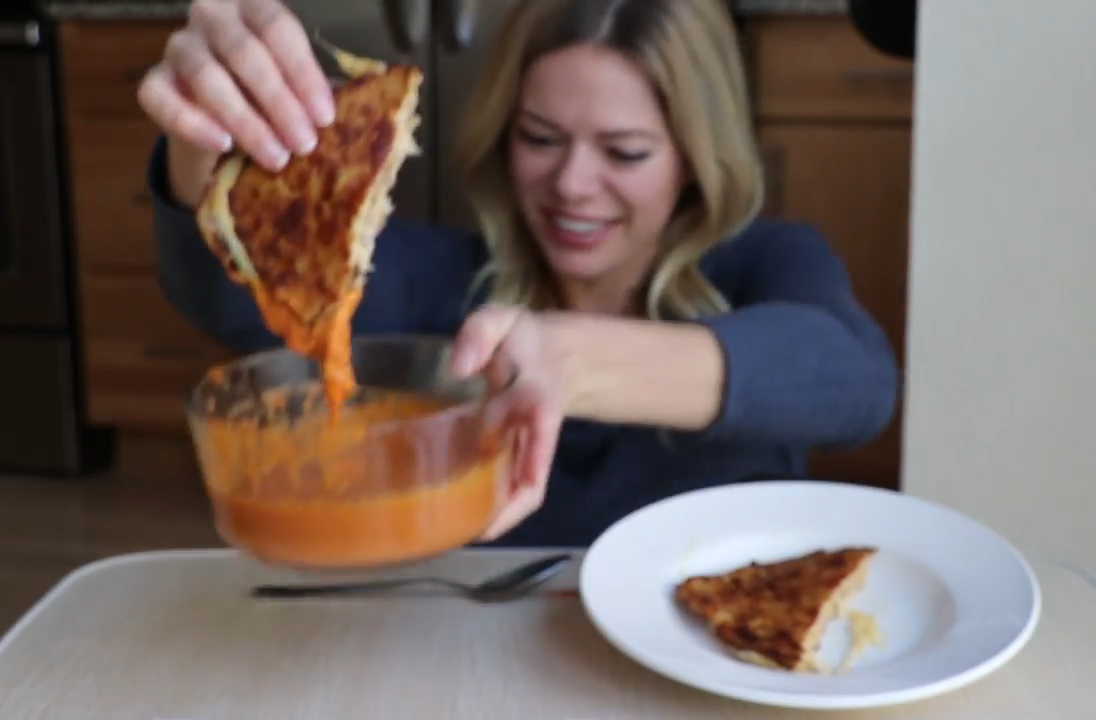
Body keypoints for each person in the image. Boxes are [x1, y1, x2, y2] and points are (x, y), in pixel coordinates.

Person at [137, 0, 900, 547]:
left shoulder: (769, 264)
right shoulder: (447, 283)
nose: (571, 184)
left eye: (624, 152)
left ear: (698, 160)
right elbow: (228, 299)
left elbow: (852, 378)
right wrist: (206, 142)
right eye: (540, 138)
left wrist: (565, 359)